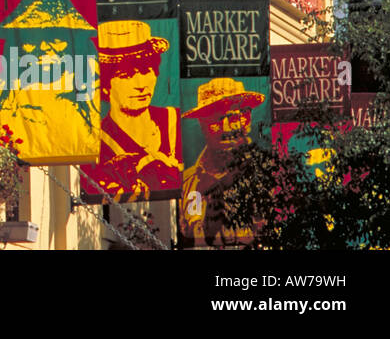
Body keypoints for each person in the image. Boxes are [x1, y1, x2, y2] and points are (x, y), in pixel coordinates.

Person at [0, 0, 100, 161]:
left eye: (55, 39)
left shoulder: (87, 112)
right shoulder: (3, 103)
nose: (44, 48)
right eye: (32, 39)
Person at [82, 20, 181, 201]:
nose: (141, 85)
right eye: (126, 75)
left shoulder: (174, 121)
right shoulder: (97, 143)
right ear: (104, 86)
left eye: (146, 70)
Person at [179, 76, 264, 247]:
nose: (226, 127)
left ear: (246, 121)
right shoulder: (188, 183)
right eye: (217, 118)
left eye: (234, 117)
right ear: (202, 124)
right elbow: (187, 233)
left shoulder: (264, 175)